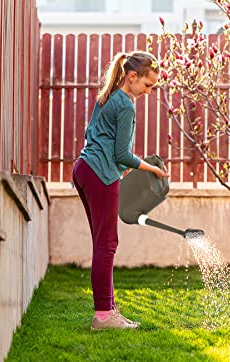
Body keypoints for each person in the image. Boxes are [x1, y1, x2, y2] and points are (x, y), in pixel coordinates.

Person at [72, 50, 169, 330]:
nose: (149, 92)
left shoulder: (108, 95)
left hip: (84, 169)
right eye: (147, 85)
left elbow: (97, 135)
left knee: (102, 243)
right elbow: (122, 154)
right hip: (100, 175)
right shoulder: (125, 104)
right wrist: (153, 169)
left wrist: (121, 166)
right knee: (107, 244)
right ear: (133, 77)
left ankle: (110, 309)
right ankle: (103, 315)